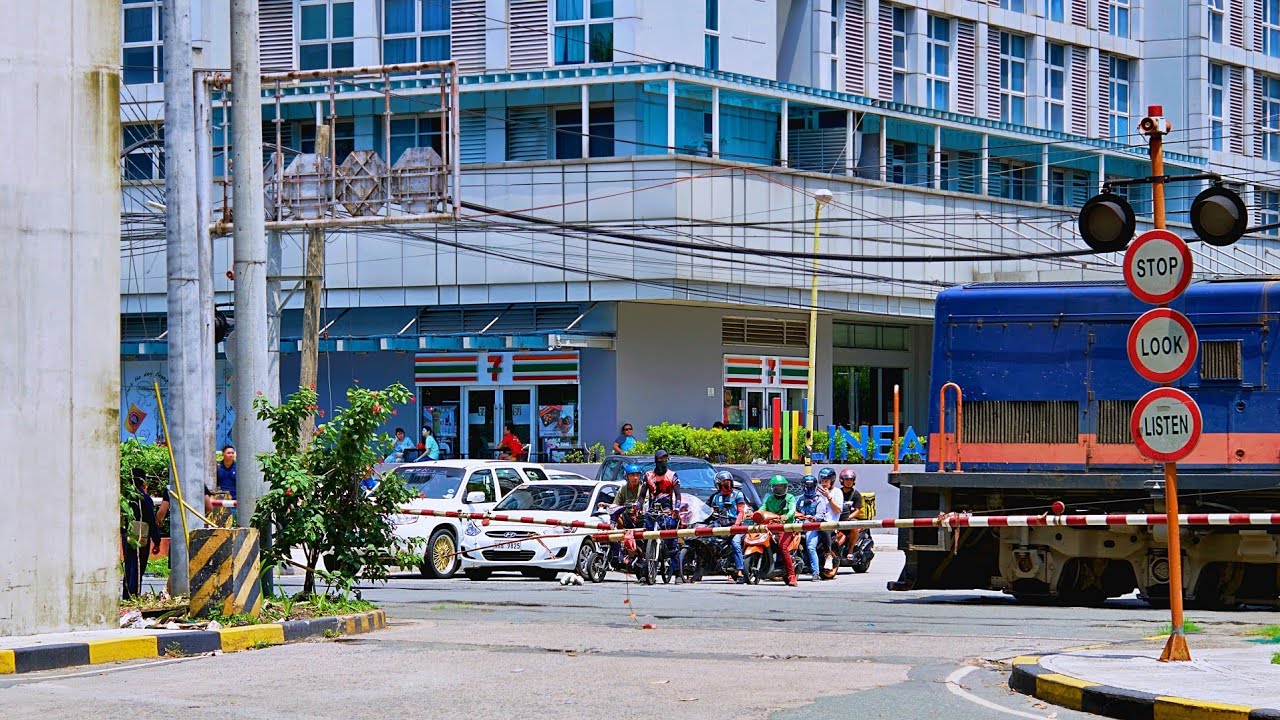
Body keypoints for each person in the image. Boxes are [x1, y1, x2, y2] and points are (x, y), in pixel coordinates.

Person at [643, 450, 683, 582]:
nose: (663, 463)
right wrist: (638, 506)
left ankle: (677, 573)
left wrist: (676, 508)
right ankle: (644, 572)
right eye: (661, 460)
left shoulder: (672, 476)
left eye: (665, 460)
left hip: (667, 512)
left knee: (672, 543)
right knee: (645, 539)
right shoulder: (648, 476)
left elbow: (678, 495)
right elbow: (642, 495)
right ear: (656, 461)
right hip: (652, 512)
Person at [122, 470, 161, 599]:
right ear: (143, 481)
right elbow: (151, 520)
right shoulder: (145, 499)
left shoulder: (126, 498)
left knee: (129, 564)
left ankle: (127, 595)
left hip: (127, 534)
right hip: (142, 535)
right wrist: (157, 541)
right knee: (138, 566)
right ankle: (134, 594)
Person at [708, 471, 748, 583]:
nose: (727, 485)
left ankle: (740, 572)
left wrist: (736, 525)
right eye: (724, 482)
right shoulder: (716, 497)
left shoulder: (738, 494)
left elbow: (741, 512)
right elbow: (709, 511)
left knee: (735, 544)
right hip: (720, 525)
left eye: (728, 482)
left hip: (734, 525)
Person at [760, 475, 798, 586]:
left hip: (787, 527)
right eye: (776, 486)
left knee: (783, 548)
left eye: (781, 486)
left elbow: (792, 510)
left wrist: (786, 516)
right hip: (771, 527)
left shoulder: (790, 497)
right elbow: (762, 508)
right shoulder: (769, 499)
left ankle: (792, 576)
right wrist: (753, 514)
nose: (779, 488)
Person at [811, 468, 844, 579]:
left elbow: (838, 510)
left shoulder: (837, 492)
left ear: (832, 481)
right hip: (815, 521)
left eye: (826, 480)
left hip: (830, 523)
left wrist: (828, 497)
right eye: (822, 480)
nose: (824, 482)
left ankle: (828, 555)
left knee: (825, 528)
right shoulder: (816, 491)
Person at [797, 474, 822, 581]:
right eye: (807, 486)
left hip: (812, 527)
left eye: (811, 486)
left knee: (811, 547)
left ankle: (816, 572)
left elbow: (820, 515)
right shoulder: (800, 499)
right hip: (798, 525)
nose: (808, 488)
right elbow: (796, 511)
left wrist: (813, 518)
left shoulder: (819, 499)